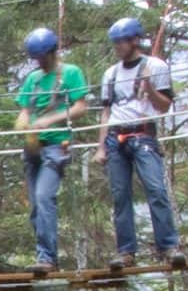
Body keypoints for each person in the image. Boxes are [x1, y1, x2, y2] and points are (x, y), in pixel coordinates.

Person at [74, 16, 181, 267]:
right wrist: (101, 146)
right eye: (115, 44)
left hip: (143, 133)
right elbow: (106, 112)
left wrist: (149, 89)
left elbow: (164, 106)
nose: (117, 48)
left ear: (134, 41)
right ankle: (126, 251)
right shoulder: (111, 74)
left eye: (121, 42)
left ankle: (168, 245)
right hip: (115, 137)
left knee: (155, 189)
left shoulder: (155, 67)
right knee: (120, 195)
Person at [12, 27, 85, 272]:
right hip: (33, 147)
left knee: (44, 198)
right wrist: (23, 121)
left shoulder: (70, 74)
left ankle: (47, 258)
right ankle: (44, 253)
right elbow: (26, 108)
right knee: (35, 205)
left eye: (42, 57)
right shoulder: (33, 79)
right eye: (36, 59)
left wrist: (50, 119)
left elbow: (80, 107)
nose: (39, 63)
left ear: (53, 52)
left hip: (56, 146)